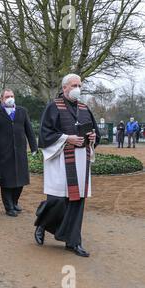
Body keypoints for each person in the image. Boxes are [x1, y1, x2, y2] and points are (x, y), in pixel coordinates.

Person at [34, 74, 100, 258]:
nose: (77, 88)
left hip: (80, 161)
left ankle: (73, 241)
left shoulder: (85, 108)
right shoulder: (54, 106)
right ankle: (42, 224)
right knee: (56, 200)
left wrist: (94, 137)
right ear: (64, 88)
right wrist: (66, 138)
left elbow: (95, 132)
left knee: (77, 202)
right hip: (60, 160)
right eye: (74, 85)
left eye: (79, 85)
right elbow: (45, 134)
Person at [0, 89, 38, 217]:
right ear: (2, 99)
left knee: (21, 179)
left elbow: (29, 130)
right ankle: (8, 207)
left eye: (12, 96)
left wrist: (34, 148)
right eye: (7, 96)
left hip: (20, 151)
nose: (10, 98)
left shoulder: (22, 111)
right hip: (5, 152)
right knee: (7, 181)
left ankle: (15, 202)